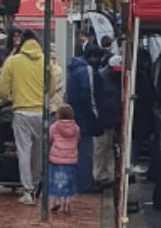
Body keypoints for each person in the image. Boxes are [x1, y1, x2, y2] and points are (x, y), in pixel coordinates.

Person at [0, 29, 54, 205]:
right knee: (38, 152)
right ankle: (36, 186)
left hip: (22, 111)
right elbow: (51, 90)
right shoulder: (46, 62)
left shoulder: (13, 61)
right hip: (41, 111)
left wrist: (11, 98)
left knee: (24, 151)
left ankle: (27, 190)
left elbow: (2, 90)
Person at [66, 44, 103, 193]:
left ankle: (79, 181)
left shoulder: (74, 68)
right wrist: (94, 116)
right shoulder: (86, 70)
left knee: (79, 151)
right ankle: (85, 183)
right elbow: (88, 94)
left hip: (75, 114)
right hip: (85, 117)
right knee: (86, 152)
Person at [94, 55, 123, 188]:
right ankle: (99, 175)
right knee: (101, 147)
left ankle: (105, 173)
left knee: (108, 147)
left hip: (111, 117)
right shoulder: (101, 77)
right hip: (102, 117)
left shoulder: (115, 78)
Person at [49, 104, 80, 214]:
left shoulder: (54, 126)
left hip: (57, 160)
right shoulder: (76, 128)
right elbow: (77, 138)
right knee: (68, 181)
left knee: (57, 181)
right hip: (71, 160)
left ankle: (56, 201)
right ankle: (67, 201)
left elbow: (50, 138)